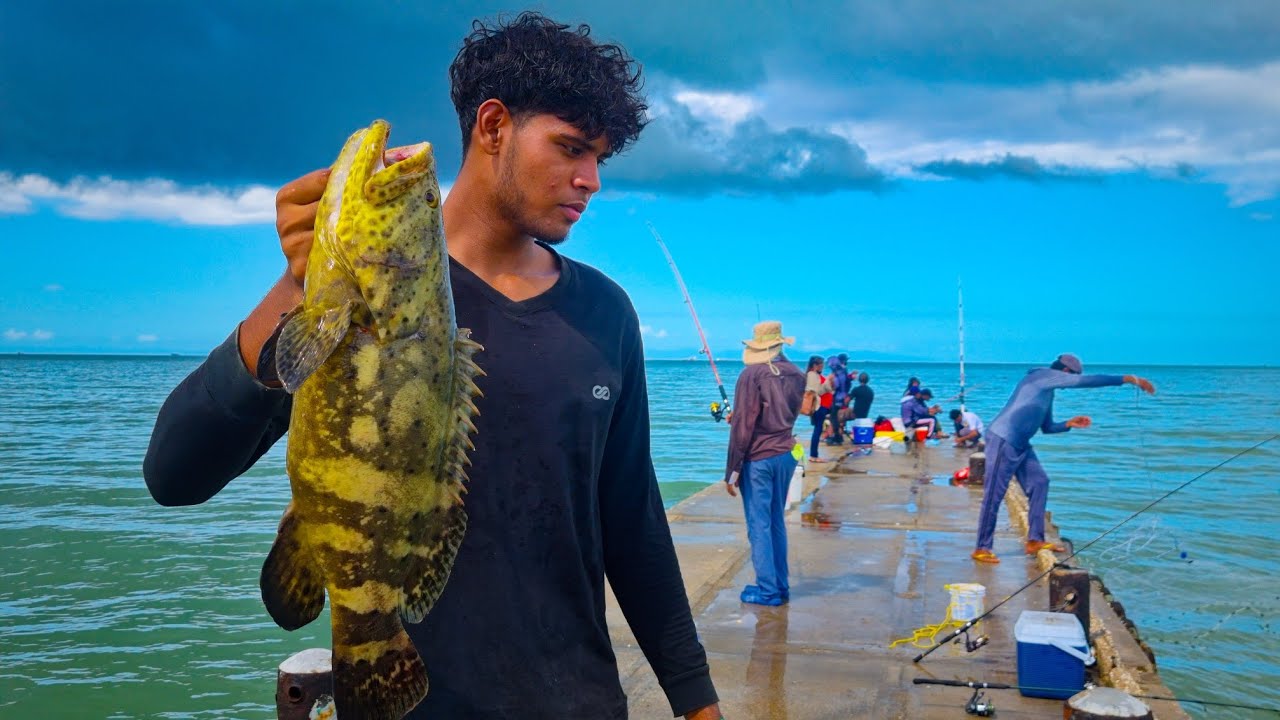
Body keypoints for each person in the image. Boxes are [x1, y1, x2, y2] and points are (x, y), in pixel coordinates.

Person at [142, 13, 721, 719]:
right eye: (571, 148)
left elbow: (633, 523)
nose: (590, 180)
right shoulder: (350, 310)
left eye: (599, 158)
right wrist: (300, 285)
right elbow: (175, 476)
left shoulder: (606, 313)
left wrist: (696, 700)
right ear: (493, 126)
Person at [971, 353, 1155, 564]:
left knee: (1040, 482)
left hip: (1021, 443)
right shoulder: (1042, 376)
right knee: (994, 494)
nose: (1069, 384)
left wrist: (1068, 423)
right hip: (1003, 439)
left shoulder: (1047, 391)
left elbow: (1047, 427)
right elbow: (1086, 381)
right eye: (1072, 377)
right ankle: (982, 547)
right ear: (1065, 371)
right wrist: (1128, 379)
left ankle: (1035, 540)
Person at [723, 321, 806, 606]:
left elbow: (743, 428)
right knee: (775, 521)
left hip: (759, 458)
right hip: (786, 453)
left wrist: (732, 470)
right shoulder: (796, 373)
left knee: (759, 525)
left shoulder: (751, 375)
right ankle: (780, 585)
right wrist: (742, 417)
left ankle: (768, 591)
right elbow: (779, 414)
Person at [804, 355, 835, 461]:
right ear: (815, 365)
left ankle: (814, 455)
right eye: (821, 364)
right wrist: (827, 381)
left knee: (818, 429)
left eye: (823, 364)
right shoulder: (812, 375)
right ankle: (814, 455)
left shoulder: (816, 375)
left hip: (823, 406)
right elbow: (817, 392)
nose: (822, 366)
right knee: (817, 430)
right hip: (819, 407)